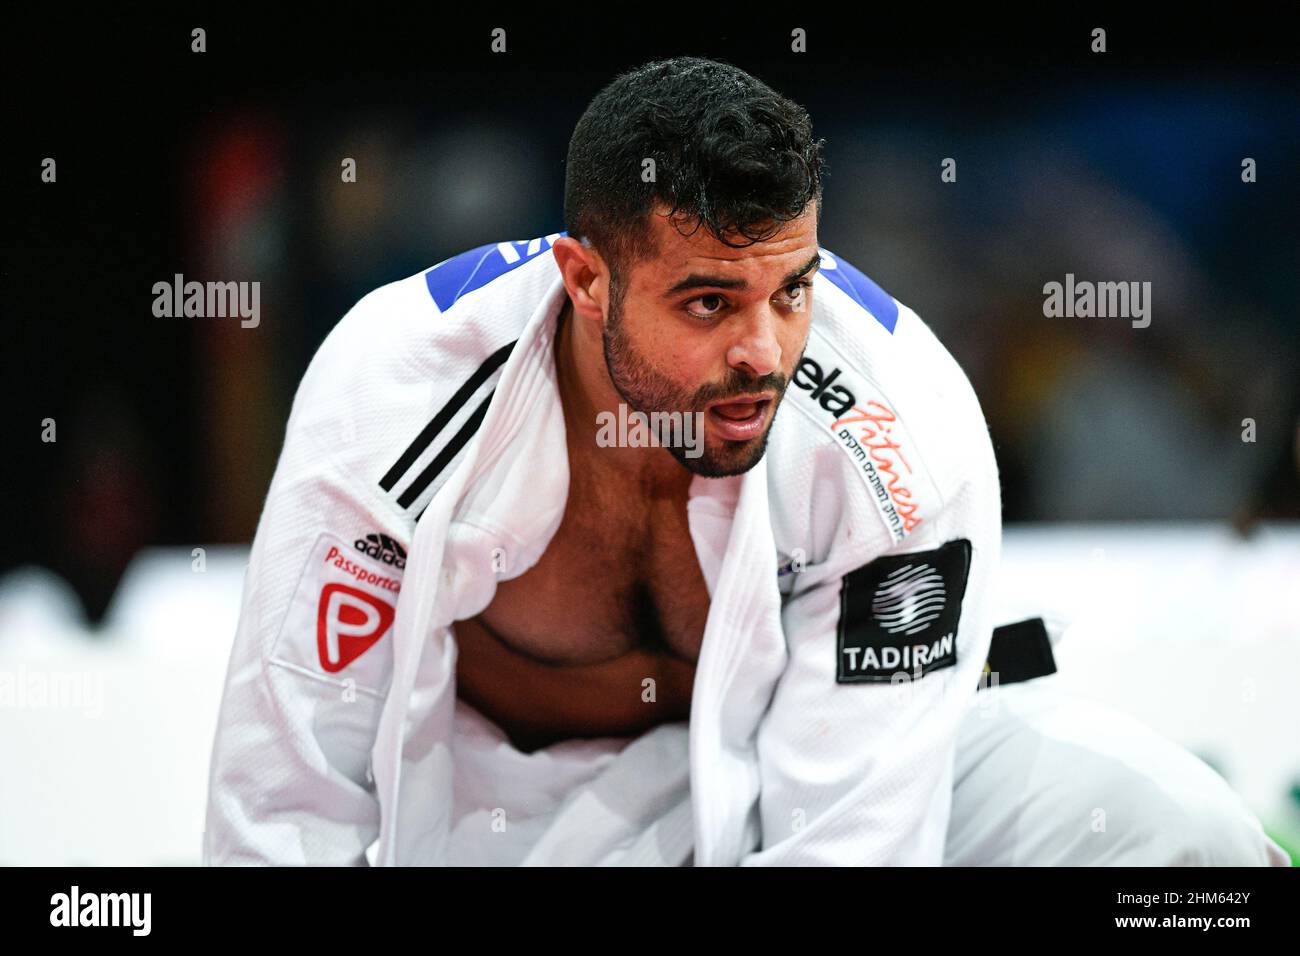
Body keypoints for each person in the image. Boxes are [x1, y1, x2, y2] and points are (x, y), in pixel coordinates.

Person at [203, 56, 1289, 867]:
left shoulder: (898, 430)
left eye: (792, 290)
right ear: (585, 280)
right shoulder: (398, 388)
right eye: (708, 301)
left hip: (826, 771)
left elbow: (853, 838)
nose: (762, 354)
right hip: (510, 821)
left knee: (1185, 840)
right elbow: (287, 793)